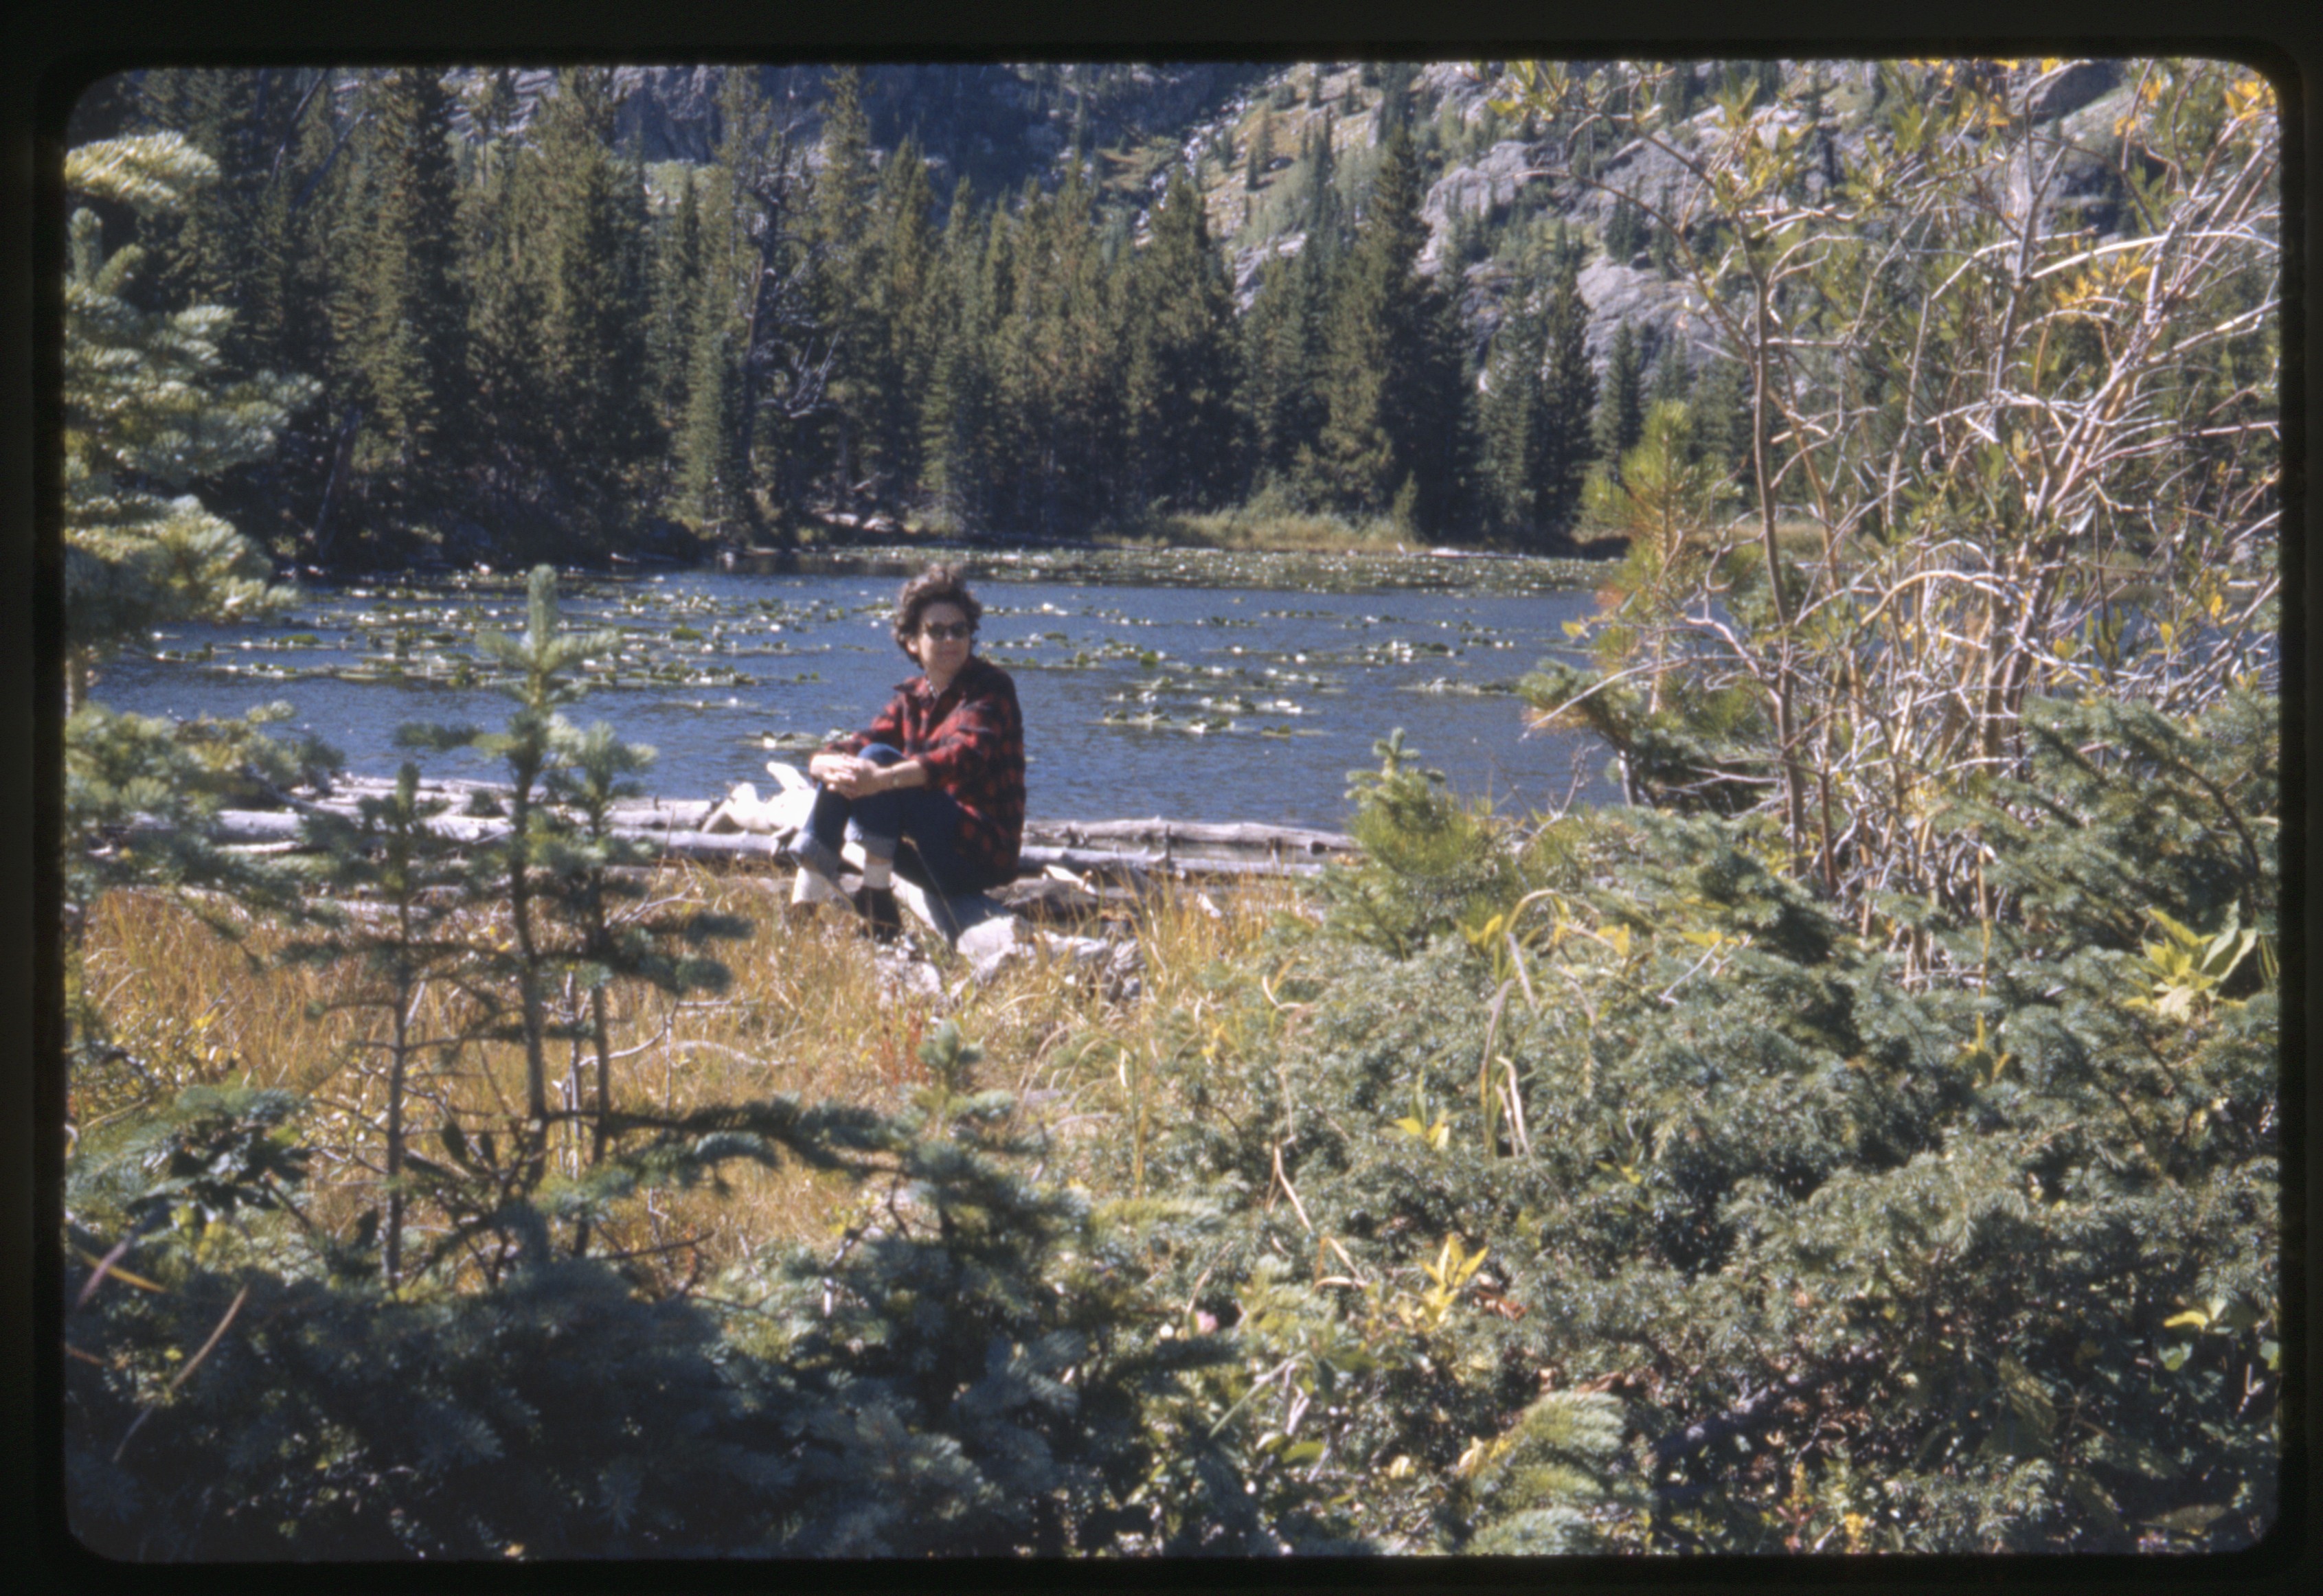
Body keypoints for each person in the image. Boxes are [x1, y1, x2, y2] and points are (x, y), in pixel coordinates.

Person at [786, 564, 1025, 939]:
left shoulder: (991, 688)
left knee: (878, 761)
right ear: (913, 641)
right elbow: (858, 742)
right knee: (851, 765)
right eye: (936, 630)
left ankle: (875, 894)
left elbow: (965, 755)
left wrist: (884, 778)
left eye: (959, 630)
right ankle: (807, 903)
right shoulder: (912, 697)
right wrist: (822, 763)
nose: (950, 639)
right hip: (929, 854)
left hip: (977, 857)